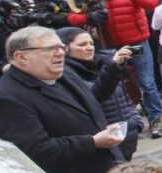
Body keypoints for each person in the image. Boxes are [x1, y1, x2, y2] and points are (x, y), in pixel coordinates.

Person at [0, 26, 124, 173]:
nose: (60, 54)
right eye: (50, 49)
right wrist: (93, 142)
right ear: (21, 57)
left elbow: (93, 99)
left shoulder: (62, 73)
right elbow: (35, 151)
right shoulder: (8, 97)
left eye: (61, 47)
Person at [69, 0, 162, 139]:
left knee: (147, 83)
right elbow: (72, 16)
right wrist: (88, 17)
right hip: (109, 46)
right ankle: (126, 121)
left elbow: (151, 2)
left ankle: (154, 118)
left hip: (136, 42)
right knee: (114, 84)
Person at [60, 27, 142, 160]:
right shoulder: (67, 75)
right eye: (82, 45)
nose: (89, 48)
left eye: (91, 44)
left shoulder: (103, 64)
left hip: (126, 136)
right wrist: (113, 67)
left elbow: (126, 97)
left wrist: (135, 122)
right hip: (102, 141)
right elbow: (95, 96)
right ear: (64, 48)